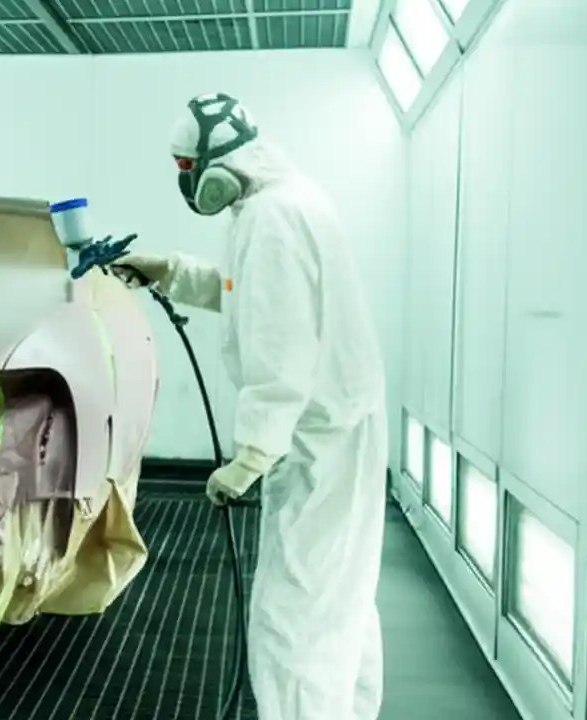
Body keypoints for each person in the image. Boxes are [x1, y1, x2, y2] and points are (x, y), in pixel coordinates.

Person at [120, 93, 389, 720]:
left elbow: (281, 348)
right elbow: (247, 294)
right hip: (342, 429)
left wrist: (249, 457)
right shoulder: (281, 204)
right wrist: (168, 271)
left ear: (213, 167)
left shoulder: (272, 221)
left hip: (318, 440)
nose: (184, 181)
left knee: (291, 615)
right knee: (337, 597)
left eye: (185, 168)